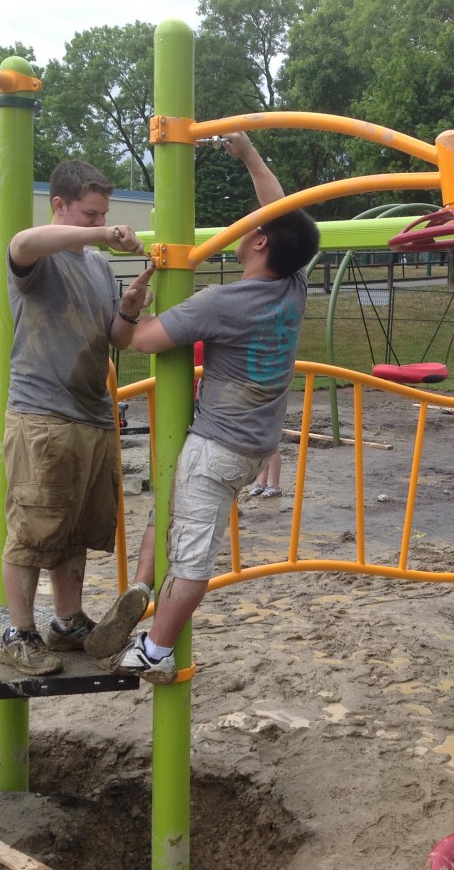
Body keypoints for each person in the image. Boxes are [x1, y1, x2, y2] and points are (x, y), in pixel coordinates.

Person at [89, 132, 319, 684]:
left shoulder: (220, 303)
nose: (243, 227)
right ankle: (143, 588)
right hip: (255, 444)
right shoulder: (294, 285)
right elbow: (281, 211)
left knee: (192, 556)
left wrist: (128, 306)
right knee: (169, 513)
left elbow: (139, 342)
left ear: (259, 243)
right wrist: (250, 155)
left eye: (250, 227)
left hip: (216, 445)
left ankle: (156, 649)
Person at [0, 159, 155, 676]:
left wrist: (129, 308)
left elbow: (116, 337)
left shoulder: (97, 265)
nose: (97, 226)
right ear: (58, 206)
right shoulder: (38, 258)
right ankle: (18, 633)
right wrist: (104, 234)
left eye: (104, 216)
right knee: (32, 529)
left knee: (74, 529)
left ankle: (67, 621)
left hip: (91, 412)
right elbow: (23, 242)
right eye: (89, 216)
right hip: (42, 414)